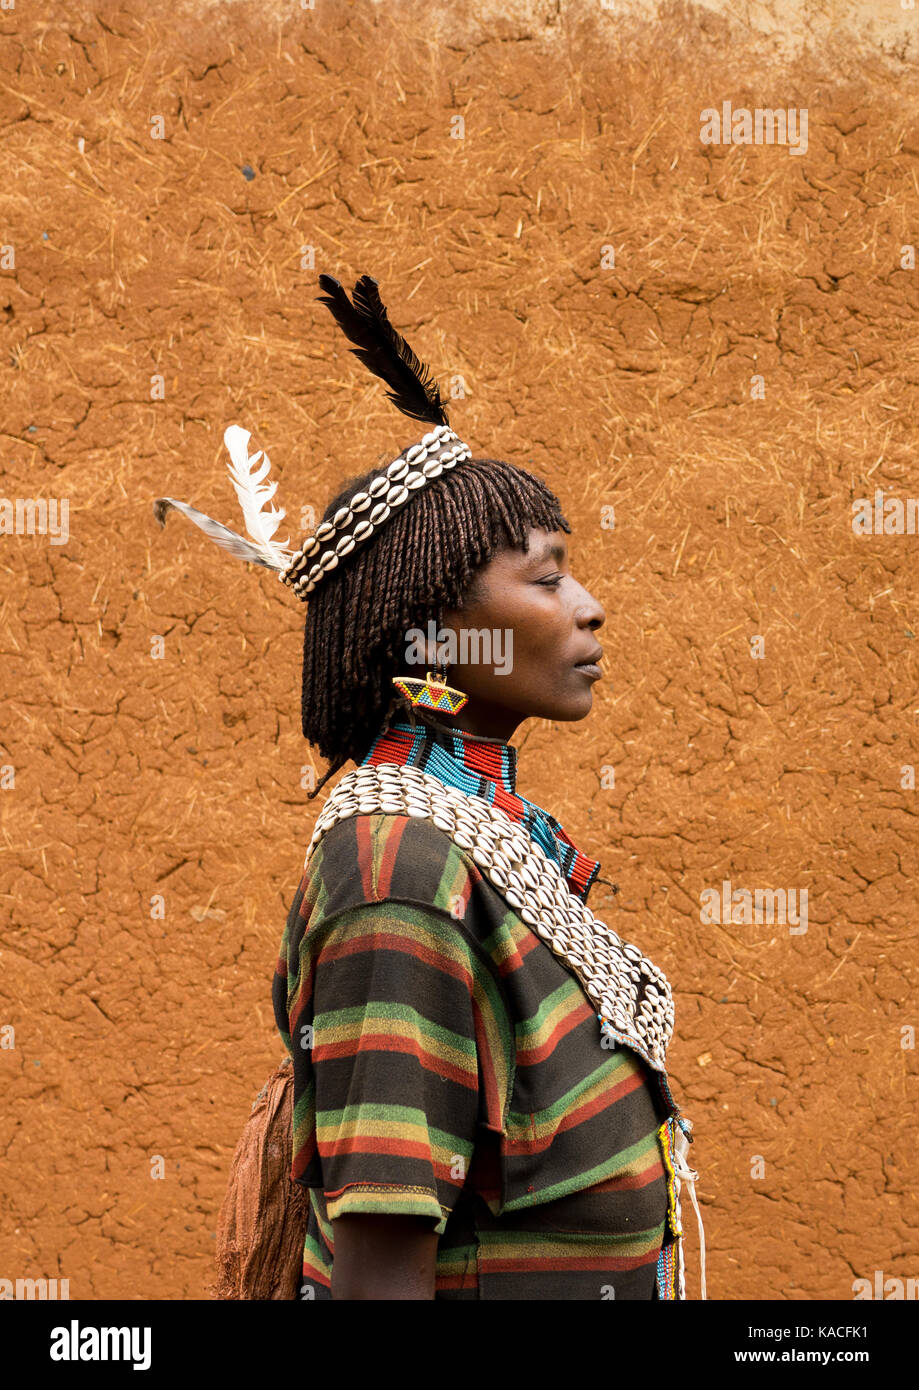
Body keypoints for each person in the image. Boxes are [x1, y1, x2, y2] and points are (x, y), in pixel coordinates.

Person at [155, 274, 704, 1300]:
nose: (587, 610)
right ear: (431, 634)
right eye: (544, 579)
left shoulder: (488, 830)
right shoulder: (399, 868)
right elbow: (379, 1276)